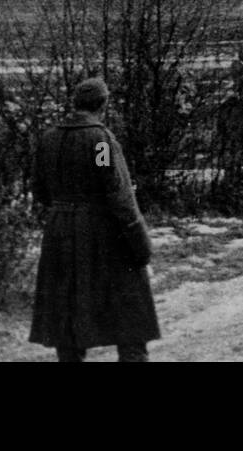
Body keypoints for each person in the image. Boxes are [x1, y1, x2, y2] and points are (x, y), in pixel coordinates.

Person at [29, 77, 161, 362]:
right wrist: (140, 242)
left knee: (68, 309)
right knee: (130, 311)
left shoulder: (49, 138)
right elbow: (118, 193)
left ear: (75, 103)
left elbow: (39, 190)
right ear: (104, 104)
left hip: (59, 232)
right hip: (102, 234)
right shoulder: (100, 141)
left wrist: (66, 208)